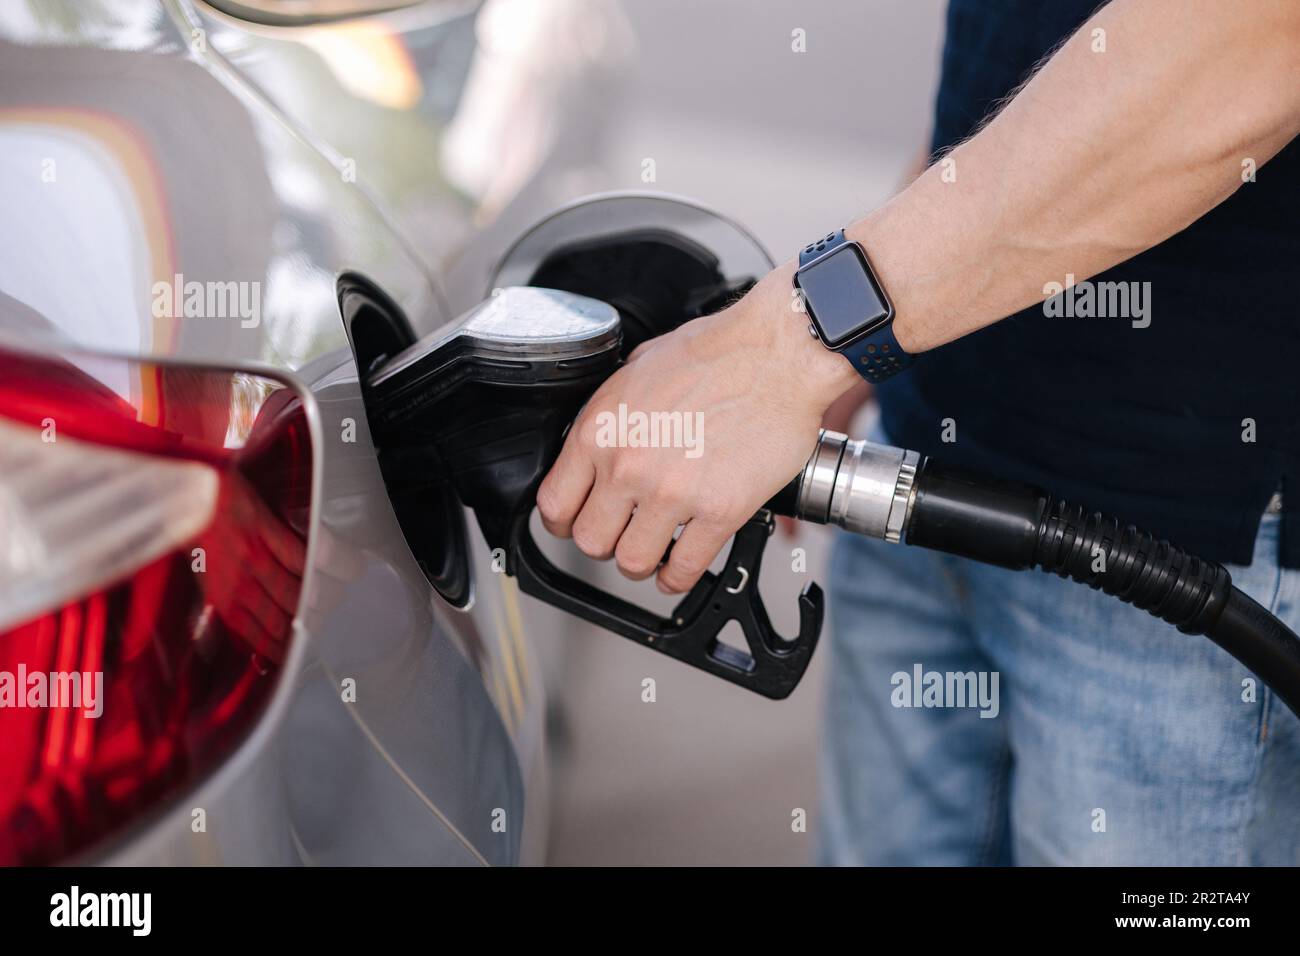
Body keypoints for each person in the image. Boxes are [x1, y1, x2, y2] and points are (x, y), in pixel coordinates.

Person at [536, 0, 1300, 865]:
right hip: (922, 458)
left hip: (1189, 545)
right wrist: (866, 345)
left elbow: (1251, 38)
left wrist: (789, 346)